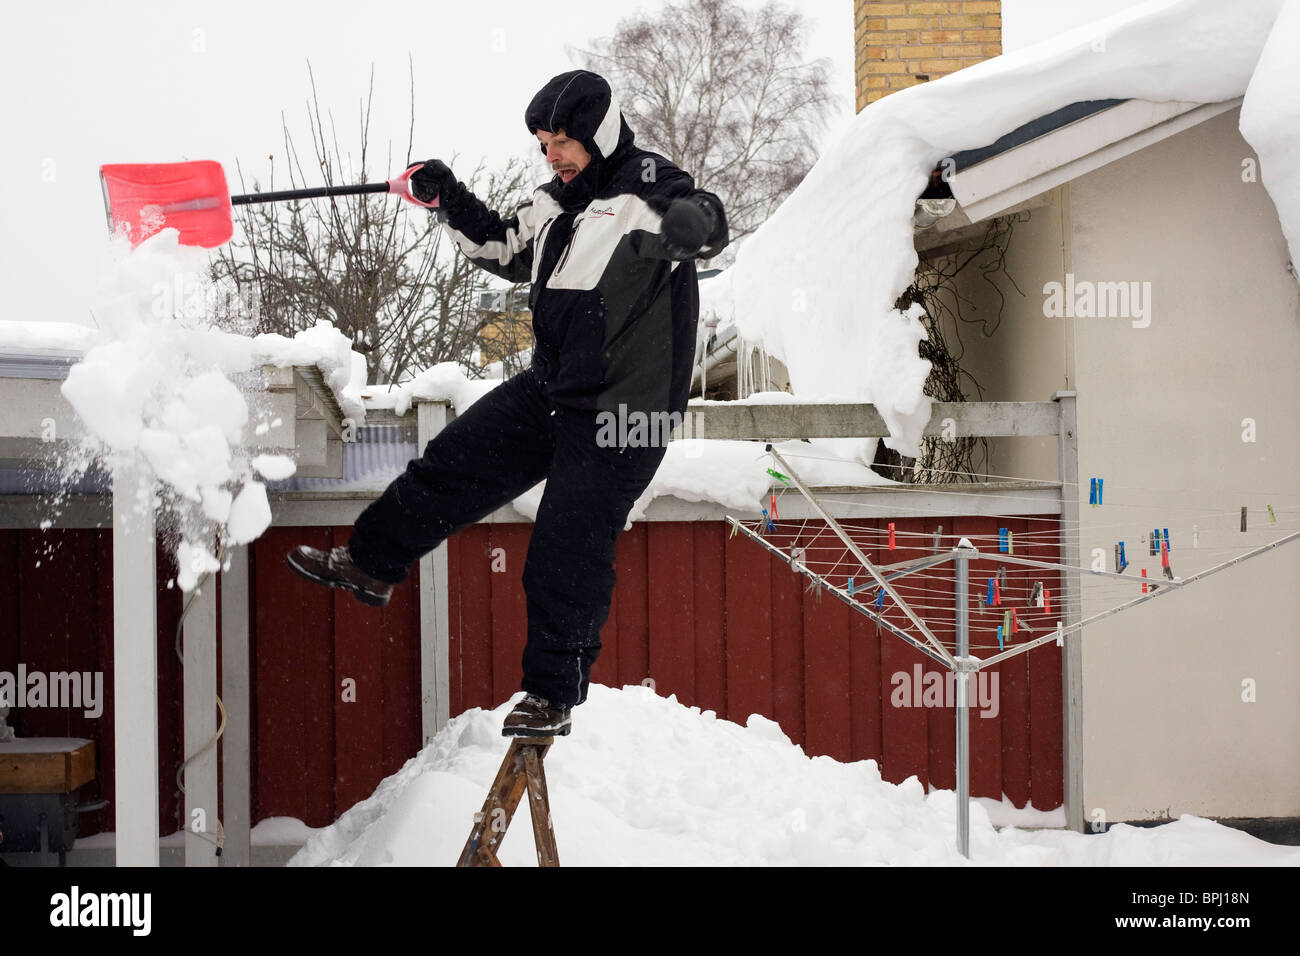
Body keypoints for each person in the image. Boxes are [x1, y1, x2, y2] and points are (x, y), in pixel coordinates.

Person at [287, 69, 728, 738]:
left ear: (598, 134)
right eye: (544, 144)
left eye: (561, 143)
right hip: (553, 388)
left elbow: (708, 222)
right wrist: (448, 196)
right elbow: (501, 246)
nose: (551, 155)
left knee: (566, 547)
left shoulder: (652, 190)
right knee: (452, 463)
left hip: (621, 413)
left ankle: (552, 697)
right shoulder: (552, 203)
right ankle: (372, 564)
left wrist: (699, 222)